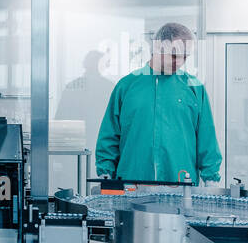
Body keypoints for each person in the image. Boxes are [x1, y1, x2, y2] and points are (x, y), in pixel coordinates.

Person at [95, 23, 222, 184]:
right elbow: (110, 133)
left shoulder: (193, 87)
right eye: (174, 55)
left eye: (185, 56)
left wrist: (211, 176)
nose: (180, 61)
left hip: (180, 183)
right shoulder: (127, 86)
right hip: (132, 182)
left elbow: (206, 136)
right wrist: (105, 170)